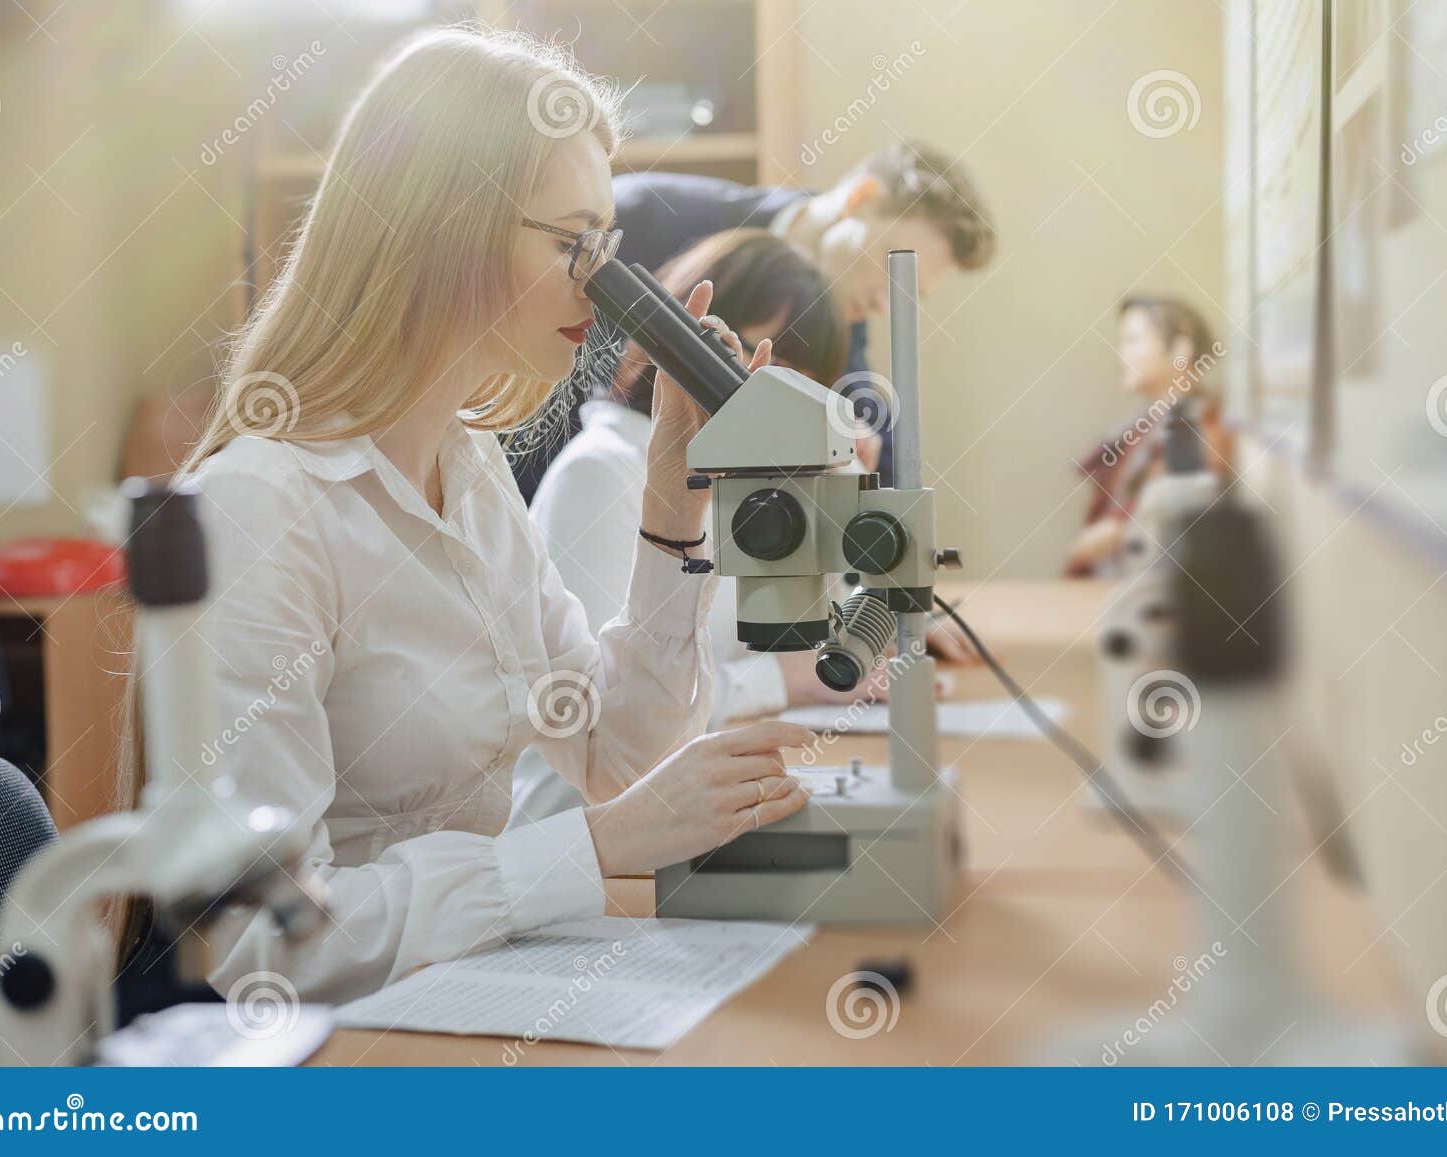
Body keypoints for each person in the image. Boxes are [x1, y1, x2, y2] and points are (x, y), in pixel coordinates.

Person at [111, 27, 818, 1007]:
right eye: (573, 244)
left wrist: (672, 505)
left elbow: (614, 751)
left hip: (458, 995)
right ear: (443, 228)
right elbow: (261, 946)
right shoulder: (264, 508)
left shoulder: (470, 472)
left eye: (608, 247)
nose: (599, 285)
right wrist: (595, 847)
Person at [513, 228, 980, 825]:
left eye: (803, 379)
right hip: (576, 833)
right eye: (770, 361)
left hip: (676, 802)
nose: (779, 394)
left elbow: (804, 626)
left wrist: (842, 507)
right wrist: (784, 679)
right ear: (694, 345)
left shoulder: (751, 478)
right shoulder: (602, 476)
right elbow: (609, 727)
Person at [508, 141, 997, 499]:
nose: (888, 306)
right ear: (861, 199)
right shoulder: (649, 215)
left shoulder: (847, 322)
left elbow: (881, 474)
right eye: (893, 267)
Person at [1066, 295, 1234, 578]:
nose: (1122, 354)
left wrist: (1110, 535)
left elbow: (1162, 524)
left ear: (1181, 350)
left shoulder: (1199, 429)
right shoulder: (1146, 427)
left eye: (1133, 341)